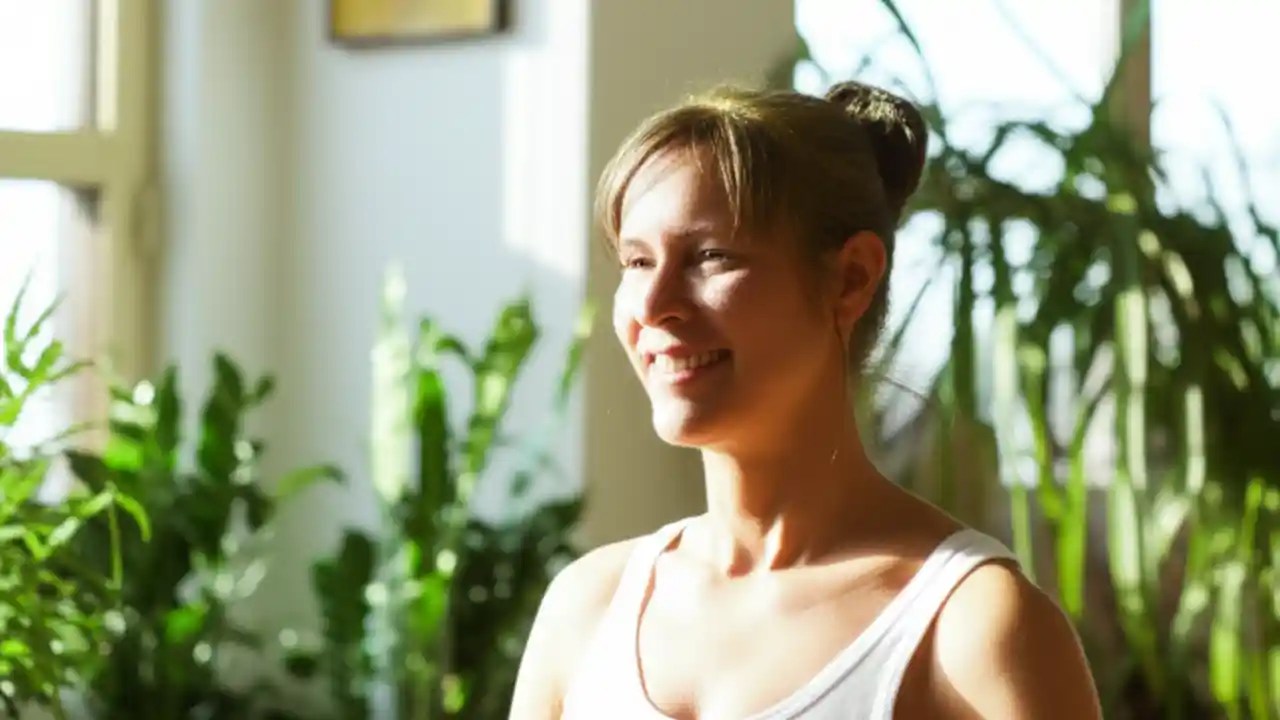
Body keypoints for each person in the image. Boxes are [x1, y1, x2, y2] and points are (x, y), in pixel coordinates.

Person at [509, 81, 1102, 719]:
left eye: (708, 257)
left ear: (851, 279)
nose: (653, 307)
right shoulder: (588, 608)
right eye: (637, 261)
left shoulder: (971, 630)